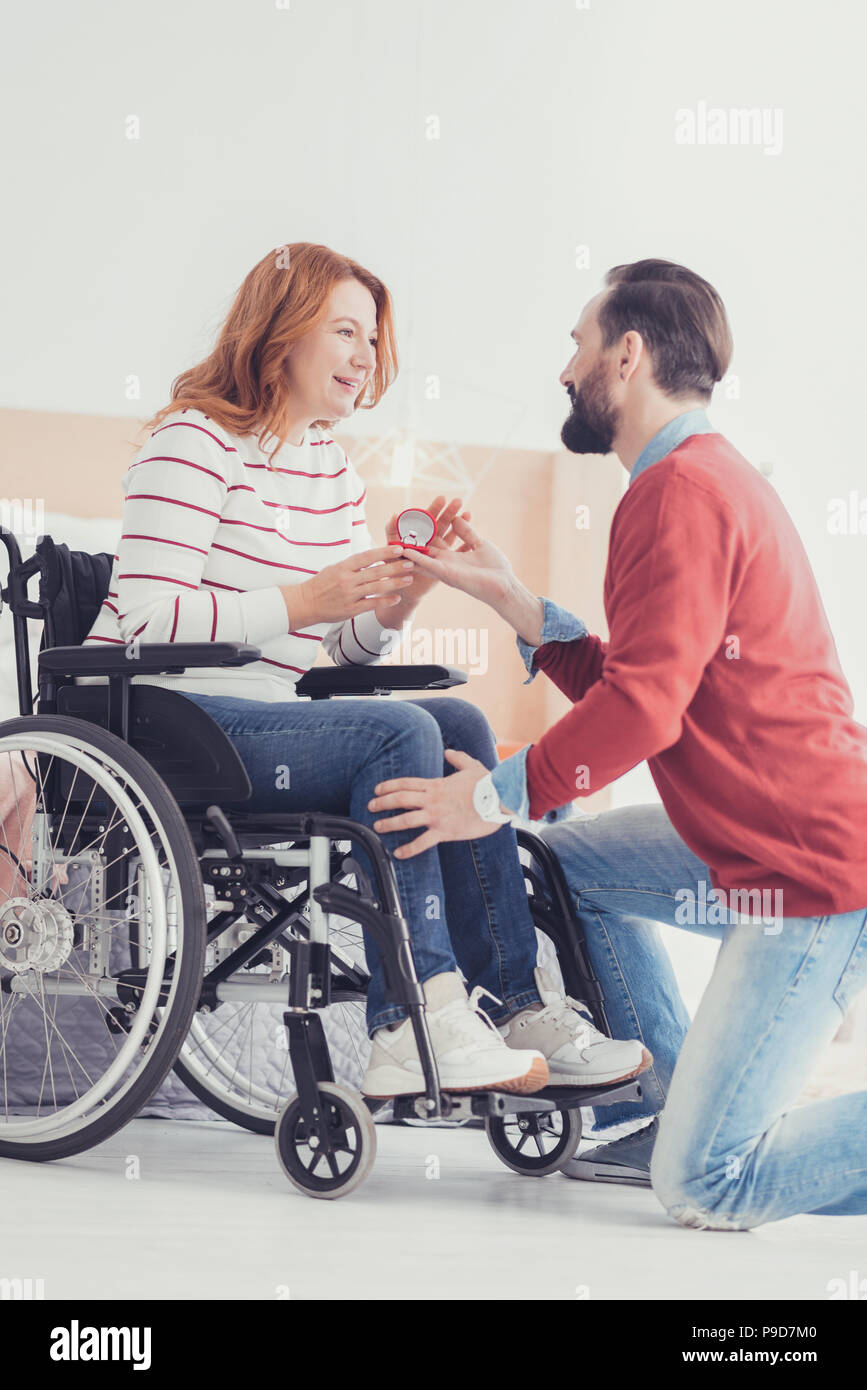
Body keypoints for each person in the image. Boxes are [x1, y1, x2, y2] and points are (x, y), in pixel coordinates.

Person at [80, 241, 651, 1100]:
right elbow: (145, 622)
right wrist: (305, 600)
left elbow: (330, 658)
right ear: (282, 334)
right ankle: (411, 1017)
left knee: (455, 726)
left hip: (268, 711)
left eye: (372, 338)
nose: (365, 356)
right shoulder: (191, 442)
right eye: (345, 331)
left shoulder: (329, 471)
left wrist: (397, 600)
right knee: (401, 731)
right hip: (167, 715)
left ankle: (514, 1002)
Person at [370, 257, 867, 1229]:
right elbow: (647, 685)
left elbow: (642, 714)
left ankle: (692, 1141)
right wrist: (513, 601)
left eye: (577, 343)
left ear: (626, 353)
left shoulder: (678, 491)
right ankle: (673, 1098)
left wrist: (485, 796)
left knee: (707, 1183)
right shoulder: (700, 478)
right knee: (568, 865)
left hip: (808, 867)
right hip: (771, 842)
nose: (566, 367)